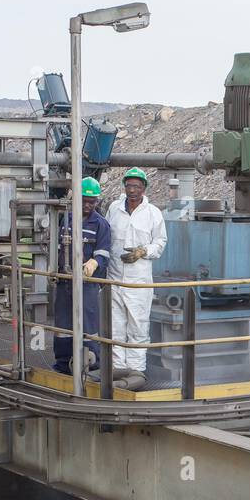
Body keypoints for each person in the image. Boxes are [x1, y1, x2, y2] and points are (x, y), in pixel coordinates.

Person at [104, 166, 166, 387]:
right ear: (124, 187)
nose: (132, 190)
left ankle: (137, 371)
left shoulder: (153, 214)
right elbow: (105, 236)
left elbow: (160, 242)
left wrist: (143, 251)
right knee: (116, 327)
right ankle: (118, 369)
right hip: (114, 279)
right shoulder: (114, 209)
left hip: (138, 282)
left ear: (144, 189)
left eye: (137, 187)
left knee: (138, 327)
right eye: (129, 186)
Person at [52, 177, 111, 376]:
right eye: (84, 199)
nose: (87, 204)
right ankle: (63, 363)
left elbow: (103, 253)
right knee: (63, 323)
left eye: (91, 201)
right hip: (64, 281)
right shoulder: (66, 219)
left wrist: (94, 264)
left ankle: (90, 363)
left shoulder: (100, 224)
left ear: (97, 202)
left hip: (87, 283)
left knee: (88, 323)